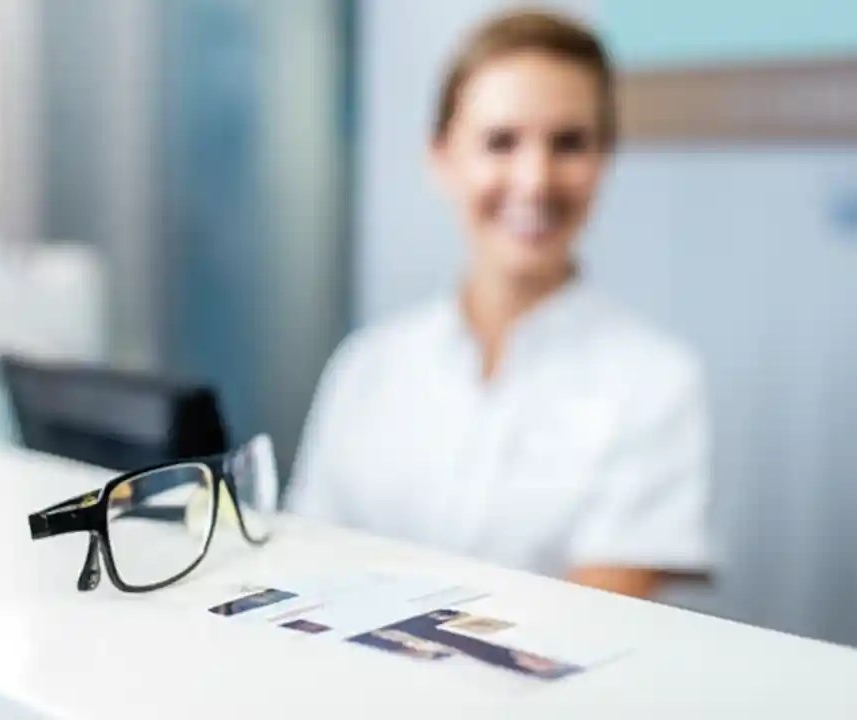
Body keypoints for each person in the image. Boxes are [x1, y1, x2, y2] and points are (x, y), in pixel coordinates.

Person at [288, 10, 712, 599]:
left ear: (603, 161)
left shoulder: (656, 381)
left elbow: (594, 625)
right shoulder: (366, 368)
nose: (535, 179)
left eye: (569, 144)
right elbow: (304, 572)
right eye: (500, 142)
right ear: (442, 158)